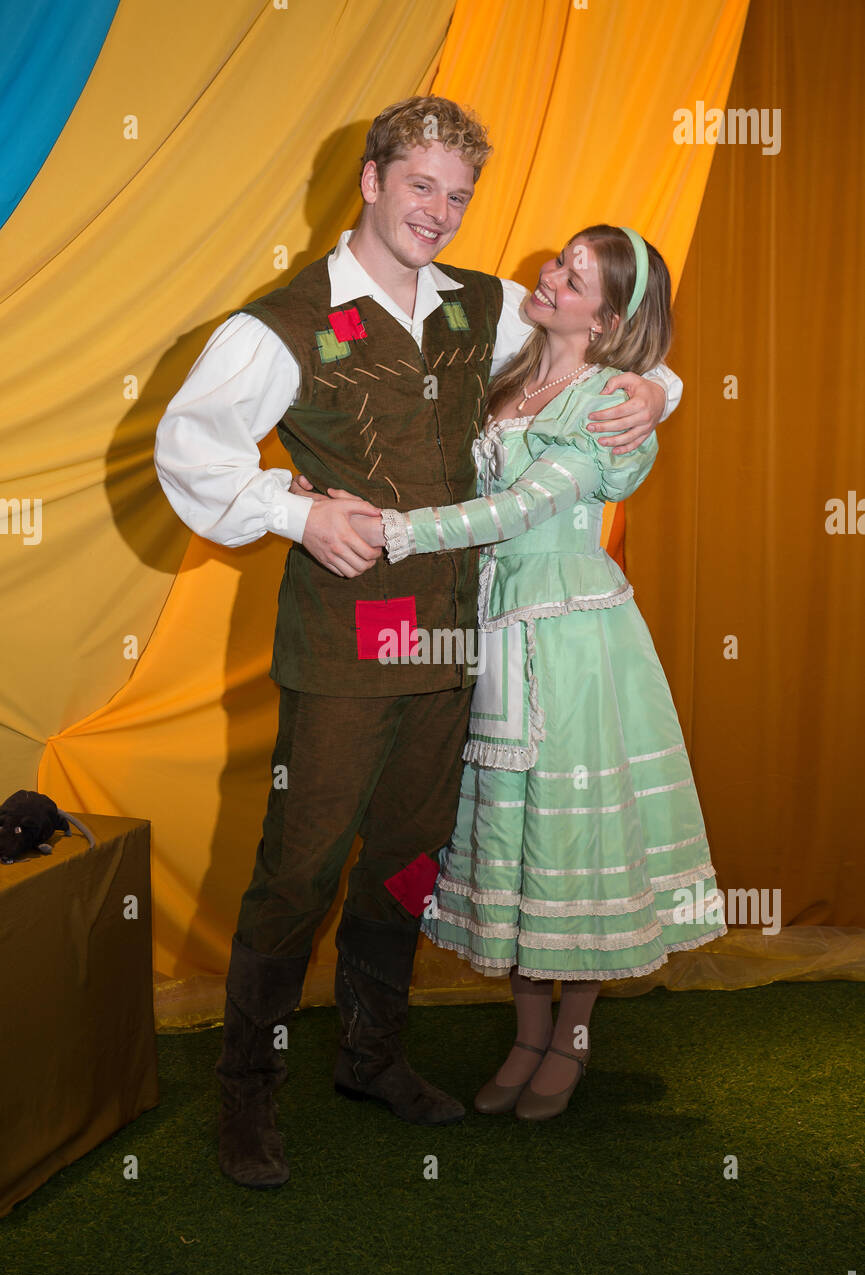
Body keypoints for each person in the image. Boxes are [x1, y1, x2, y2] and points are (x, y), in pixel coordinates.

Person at [153, 97, 683, 1189]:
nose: (439, 213)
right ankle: (246, 1093)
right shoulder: (278, 322)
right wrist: (298, 510)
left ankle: (370, 1055)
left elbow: (605, 348)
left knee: (405, 860)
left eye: (457, 194)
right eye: (420, 187)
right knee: (297, 874)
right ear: (371, 178)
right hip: (349, 639)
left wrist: (654, 388)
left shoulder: (481, 307)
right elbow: (189, 449)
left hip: (456, 641)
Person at [320, 224, 727, 1122]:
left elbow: (514, 510)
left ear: (608, 315)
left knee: (570, 843)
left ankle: (568, 1043)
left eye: (574, 277)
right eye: (557, 261)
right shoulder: (507, 369)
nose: (548, 276)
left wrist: (389, 532)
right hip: (493, 630)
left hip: (573, 638)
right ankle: (525, 1033)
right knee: (513, 839)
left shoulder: (609, 402)